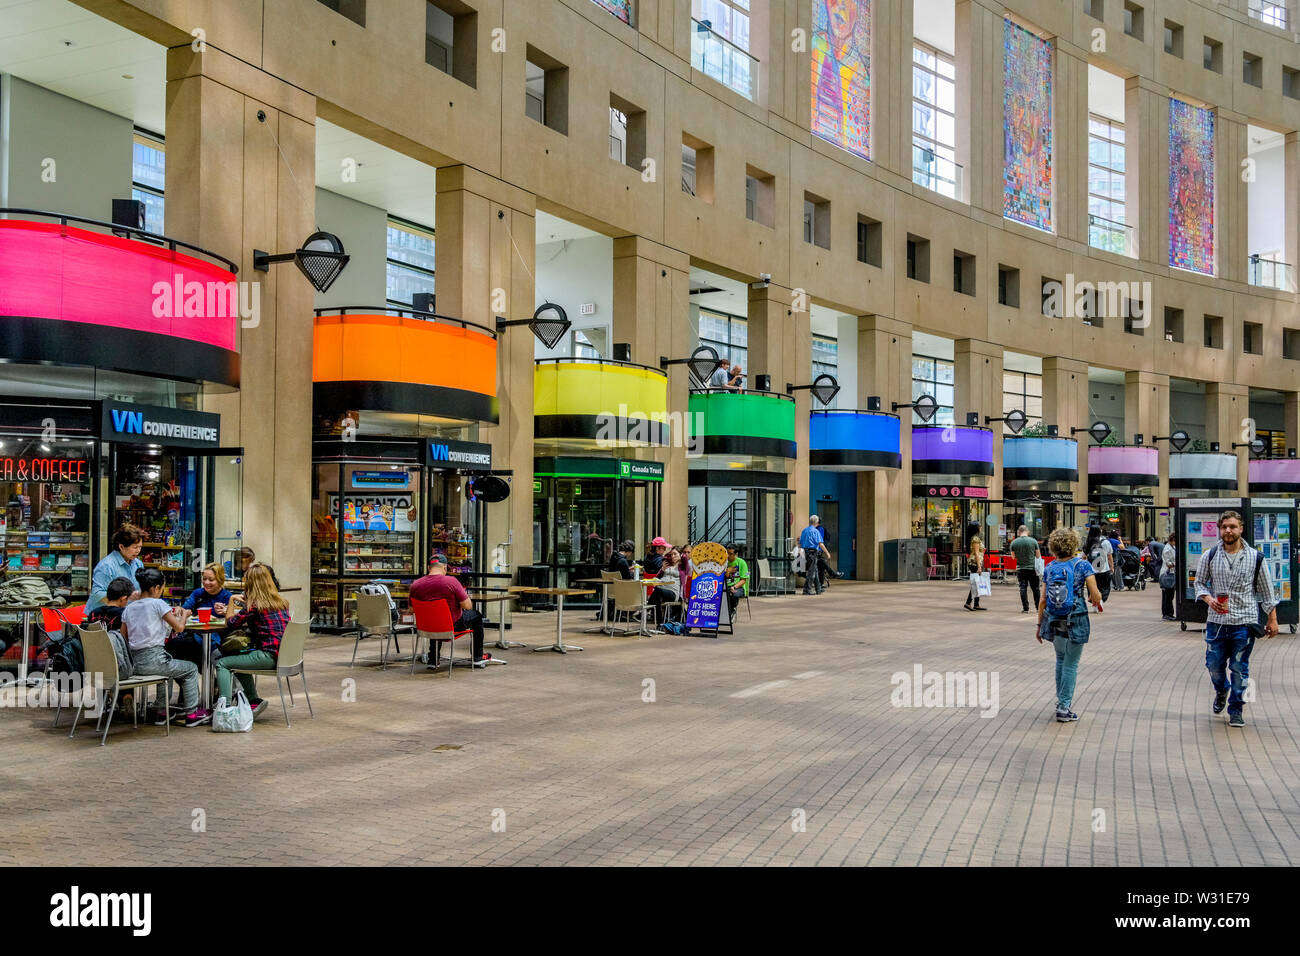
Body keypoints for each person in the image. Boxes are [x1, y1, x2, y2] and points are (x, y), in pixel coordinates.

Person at [1193, 510, 1278, 728]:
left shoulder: (1256, 558)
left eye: (1232, 526)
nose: (1228, 531)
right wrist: (1208, 599)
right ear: (1220, 530)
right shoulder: (1209, 555)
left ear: (1241, 529)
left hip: (1244, 622)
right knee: (1214, 666)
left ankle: (1237, 709)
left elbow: (1267, 591)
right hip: (1217, 623)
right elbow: (1199, 583)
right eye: (1224, 527)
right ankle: (1222, 690)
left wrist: (1272, 619)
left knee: (1240, 668)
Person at [120, 567, 208, 727]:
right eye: (161, 588)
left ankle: (162, 712)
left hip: (134, 664)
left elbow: (122, 637)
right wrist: (184, 615)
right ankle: (192, 713)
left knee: (167, 672)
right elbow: (179, 628)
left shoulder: (130, 607)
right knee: (191, 669)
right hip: (155, 660)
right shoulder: (158, 604)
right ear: (155, 588)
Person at [1036, 527, 1105, 723]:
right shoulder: (1082, 566)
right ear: (1073, 544)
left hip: (1054, 617)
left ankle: (1060, 701)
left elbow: (1042, 600)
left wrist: (1039, 625)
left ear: (1053, 546)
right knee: (1071, 664)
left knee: (1060, 659)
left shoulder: (1049, 568)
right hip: (1076, 618)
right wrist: (1095, 598)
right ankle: (1064, 708)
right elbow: (1096, 595)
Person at [215, 563, 292, 719]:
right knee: (239, 655)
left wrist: (231, 600)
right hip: (285, 656)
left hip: (268, 657)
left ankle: (225, 710)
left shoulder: (254, 606)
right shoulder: (281, 602)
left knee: (222, 663)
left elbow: (229, 623)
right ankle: (253, 701)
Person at [411, 551, 491, 668]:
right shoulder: (451, 581)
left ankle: (433, 659)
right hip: (452, 626)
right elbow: (468, 606)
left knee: (434, 619)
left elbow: (411, 609)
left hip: (426, 627)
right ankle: (478, 657)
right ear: (444, 567)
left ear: (429, 567)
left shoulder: (416, 584)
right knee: (477, 615)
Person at [87, 524, 144, 612]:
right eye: (135, 547)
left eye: (140, 547)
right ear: (121, 547)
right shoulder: (106, 566)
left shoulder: (138, 564)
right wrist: (120, 600)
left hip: (128, 613)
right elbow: (97, 594)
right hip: (104, 614)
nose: (138, 551)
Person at [1010, 525, 1041, 614]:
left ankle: (1026, 608)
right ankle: (1038, 608)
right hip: (1032, 569)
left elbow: (1013, 557)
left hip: (1021, 568)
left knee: (1023, 588)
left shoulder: (1014, 542)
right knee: (1035, 589)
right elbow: (1038, 555)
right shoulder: (1033, 541)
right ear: (1027, 531)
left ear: (1019, 532)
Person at [646, 550, 682, 622]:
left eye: (675, 554)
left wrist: (681, 558)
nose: (673, 556)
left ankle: (645, 610)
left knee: (657, 592)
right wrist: (662, 569)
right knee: (657, 598)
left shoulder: (682, 567)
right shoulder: (668, 565)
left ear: (680, 555)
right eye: (671, 554)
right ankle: (659, 623)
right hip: (661, 590)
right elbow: (658, 576)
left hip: (673, 592)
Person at [1085, 525, 1114, 602]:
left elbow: (1084, 557)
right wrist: (1112, 568)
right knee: (1105, 587)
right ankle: (1100, 599)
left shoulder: (1088, 542)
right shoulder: (1106, 542)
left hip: (1091, 571)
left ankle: (1094, 600)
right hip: (1104, 570)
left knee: (1092, 587)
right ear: (1100, 531)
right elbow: (1109, 557)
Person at [799, 515, 827, 595]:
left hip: (805, 552)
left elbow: (800, 543)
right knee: (812, 572)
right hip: (812, 552)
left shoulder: (804, 530)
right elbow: (820, 544)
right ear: (817, 522)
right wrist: (827, 553)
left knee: (815, 570)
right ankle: (807, 589)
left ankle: (818, 589)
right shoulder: (815, 531)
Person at [724, 543, 749, 620]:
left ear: (736, 554)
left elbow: (743, 580)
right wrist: (726, 573)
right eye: (727, 553)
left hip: (738, 587)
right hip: (725, 585)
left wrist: (734, 587)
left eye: (730, 554)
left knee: (733, 593)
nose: (728, 556)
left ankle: (732, 611)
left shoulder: (742, 563)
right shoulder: (723, 562)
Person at [964, 535, 986, 610]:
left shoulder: (974, 538)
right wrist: (979, 567)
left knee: (977, 583)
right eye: (979, 526)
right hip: (975, 563)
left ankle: (976, 604)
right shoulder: (975, 538)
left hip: (975, 563)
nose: (980, 528)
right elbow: (976, 553)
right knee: (976, 584)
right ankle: (968, 602)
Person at [1160, 532, 1178, 621]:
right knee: (1167, 595)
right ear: (1172, 540)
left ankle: (1169, 613)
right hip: (1166, 575)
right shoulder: (1167, 549)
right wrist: (1176, 563)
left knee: (1170, 595)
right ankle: (1167, 614)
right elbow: (1168, 564)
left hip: (1171, 574)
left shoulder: (1172, 547)